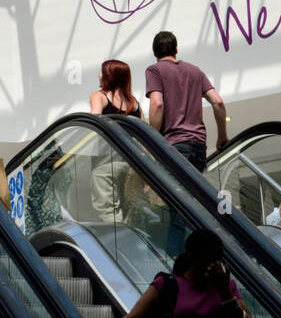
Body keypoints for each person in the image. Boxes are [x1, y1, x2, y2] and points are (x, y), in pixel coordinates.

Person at [81, 228, 253, 318]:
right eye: (210, 257)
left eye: (219, 258)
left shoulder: (227, 286)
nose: (216, 264)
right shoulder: (168, 285)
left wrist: (225, 293)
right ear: (193, 256)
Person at [144, 31, 228, 172]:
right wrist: (222, 136)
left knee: (173, 192)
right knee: (193, 193)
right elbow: (217, 102)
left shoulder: (154, 70)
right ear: (176, 49)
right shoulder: (195, 71)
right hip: (199, 146)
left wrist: (152, 140)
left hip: (173, 145)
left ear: (154, 53)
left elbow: (157, 104)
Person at [90, 60, 141, 219]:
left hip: (106, 163)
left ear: (110, 76)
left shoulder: (100, 96)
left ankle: (120, 241)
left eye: (103, 73)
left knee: (109, 211)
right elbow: (142, 133)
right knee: (128, 209)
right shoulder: (134, 103)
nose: (99, 76)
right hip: (132, 164)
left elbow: (94, 120)